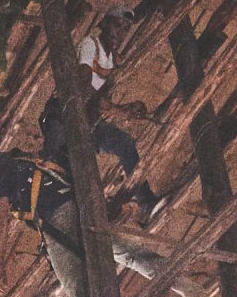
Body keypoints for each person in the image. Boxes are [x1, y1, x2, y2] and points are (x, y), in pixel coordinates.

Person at [0, 138, 204, 297]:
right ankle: (180, 282)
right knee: (129, 253)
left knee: (74, 283)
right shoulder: (35, 163)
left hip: (56, 220)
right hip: (84, 208)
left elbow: (0, 214)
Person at [39, 72, 162, 227]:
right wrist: (119, 110)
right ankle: (69, 224)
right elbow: (83, 81)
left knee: (124, 143)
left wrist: (121, 109)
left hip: (85, 123)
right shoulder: (90, 49)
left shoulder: (108, 58)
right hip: (62, 121)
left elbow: (96, 100)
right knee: (61, 174)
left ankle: (145, 202)